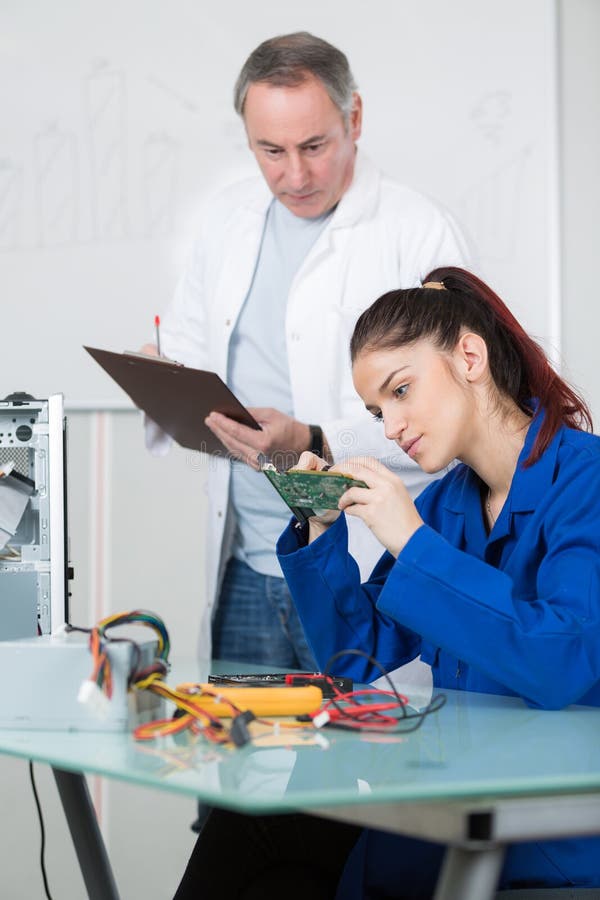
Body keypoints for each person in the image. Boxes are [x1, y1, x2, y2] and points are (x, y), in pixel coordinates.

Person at [173, 267, 600, 898]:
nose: (391, 427)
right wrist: (320, 530)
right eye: (378, 410)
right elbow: (363, 652)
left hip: (538, 828)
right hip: (440, 801)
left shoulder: (585, 481)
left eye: (402, 391)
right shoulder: (451, 501)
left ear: (470, 357)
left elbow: (561, 660)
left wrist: (411, 542)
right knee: (250, 818)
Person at [144, 31, 471, 671]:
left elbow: (458, 415)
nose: (294, 175)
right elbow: (186, 347)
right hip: (247, 566)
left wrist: (315, 439)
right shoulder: (224, 222)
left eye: (315, 146)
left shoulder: (418, 231)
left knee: (374, 758)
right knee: (244, 760)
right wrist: (159, 374)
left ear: (354, 118)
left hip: (367, 568)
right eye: (271, 151)